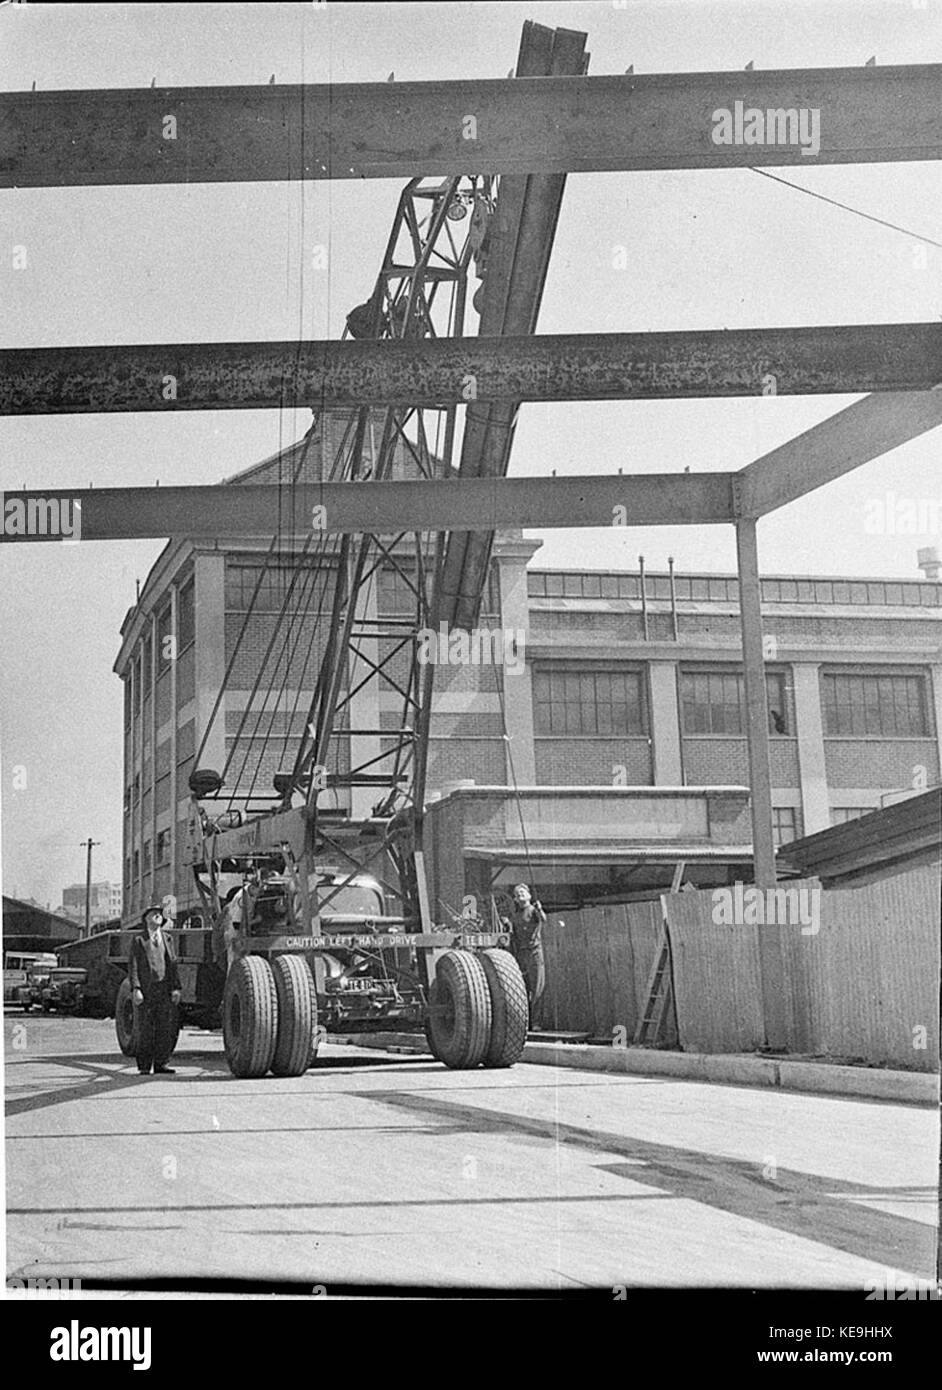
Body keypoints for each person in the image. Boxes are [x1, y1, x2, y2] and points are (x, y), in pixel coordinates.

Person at [129, 905, 182, 1075]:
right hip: (146, 991)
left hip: (164, 990)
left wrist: (176, 988)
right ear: (146, 919)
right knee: (145, 1029)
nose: (158, 916)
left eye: (160, 914)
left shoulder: (167, 939)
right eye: (154, 914)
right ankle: (144, 1066)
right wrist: (136, 988)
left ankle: (162, 1064)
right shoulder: (139, 940)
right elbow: (134, 966)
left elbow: (172, 965)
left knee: (164, 1028)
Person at [501, 883, 547, 1031]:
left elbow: (543, 919)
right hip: (521, 954)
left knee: (537, 989)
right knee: (522, 989)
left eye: (523, 892)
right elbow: (512, 936)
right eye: (517, 893)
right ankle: (524, 1023)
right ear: (515, 899)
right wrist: (507, 925)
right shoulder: (515, 916)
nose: (520, 894)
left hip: (534, 953)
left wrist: (540, 909)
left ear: (529, 896)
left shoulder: (534, 910)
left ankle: (536, 1022)